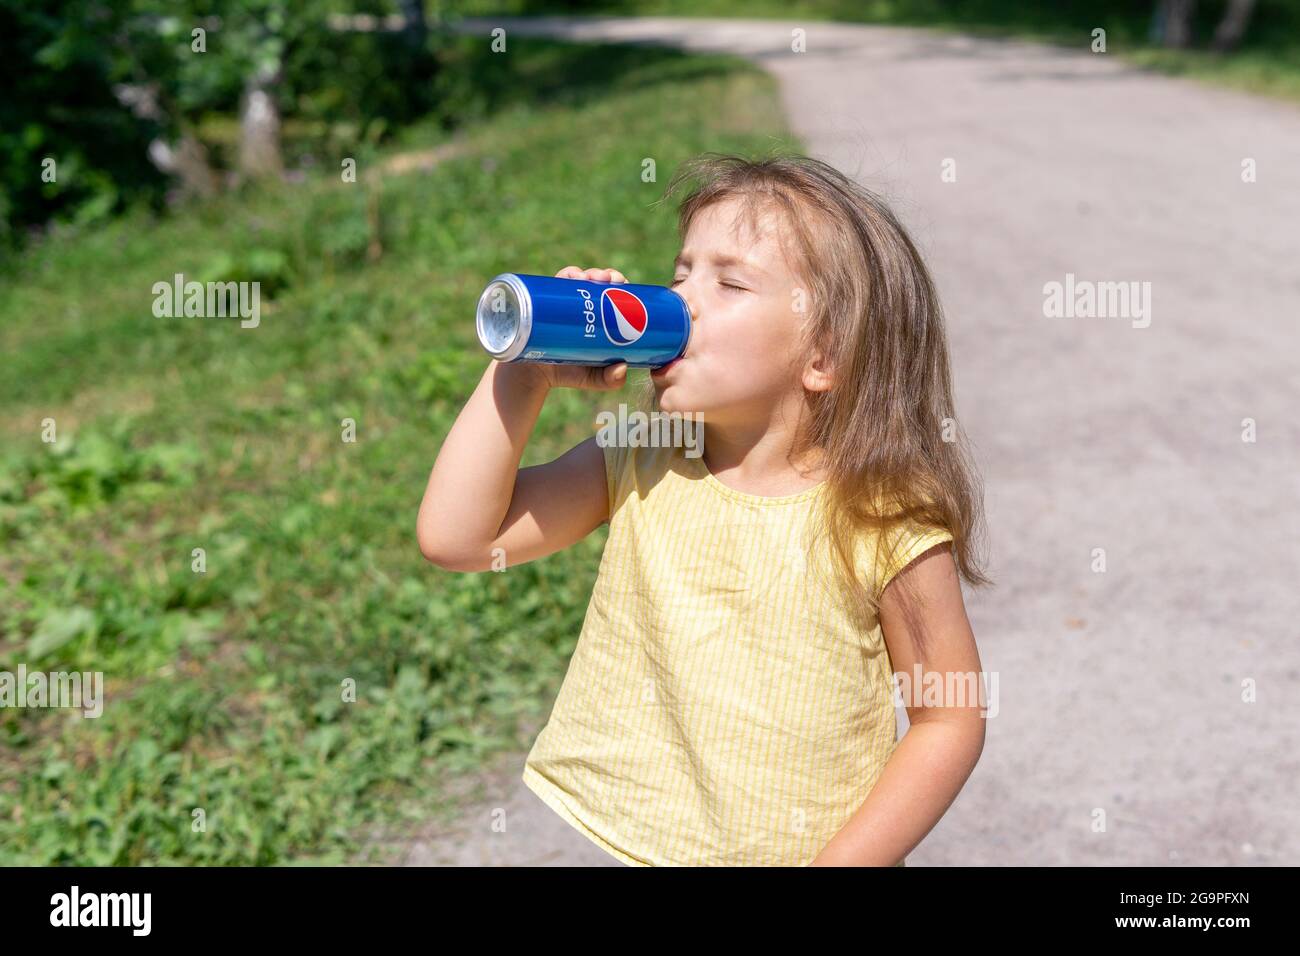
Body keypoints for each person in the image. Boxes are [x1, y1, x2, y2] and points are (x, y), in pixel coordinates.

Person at [418, 153, 992, 866]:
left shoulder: (881, 517)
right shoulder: (642, 454)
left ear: (825, 355)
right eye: (682, 271)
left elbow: (949, 716)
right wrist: (524, 371)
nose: (683, 298)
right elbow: (459, 537)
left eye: (729, 281)